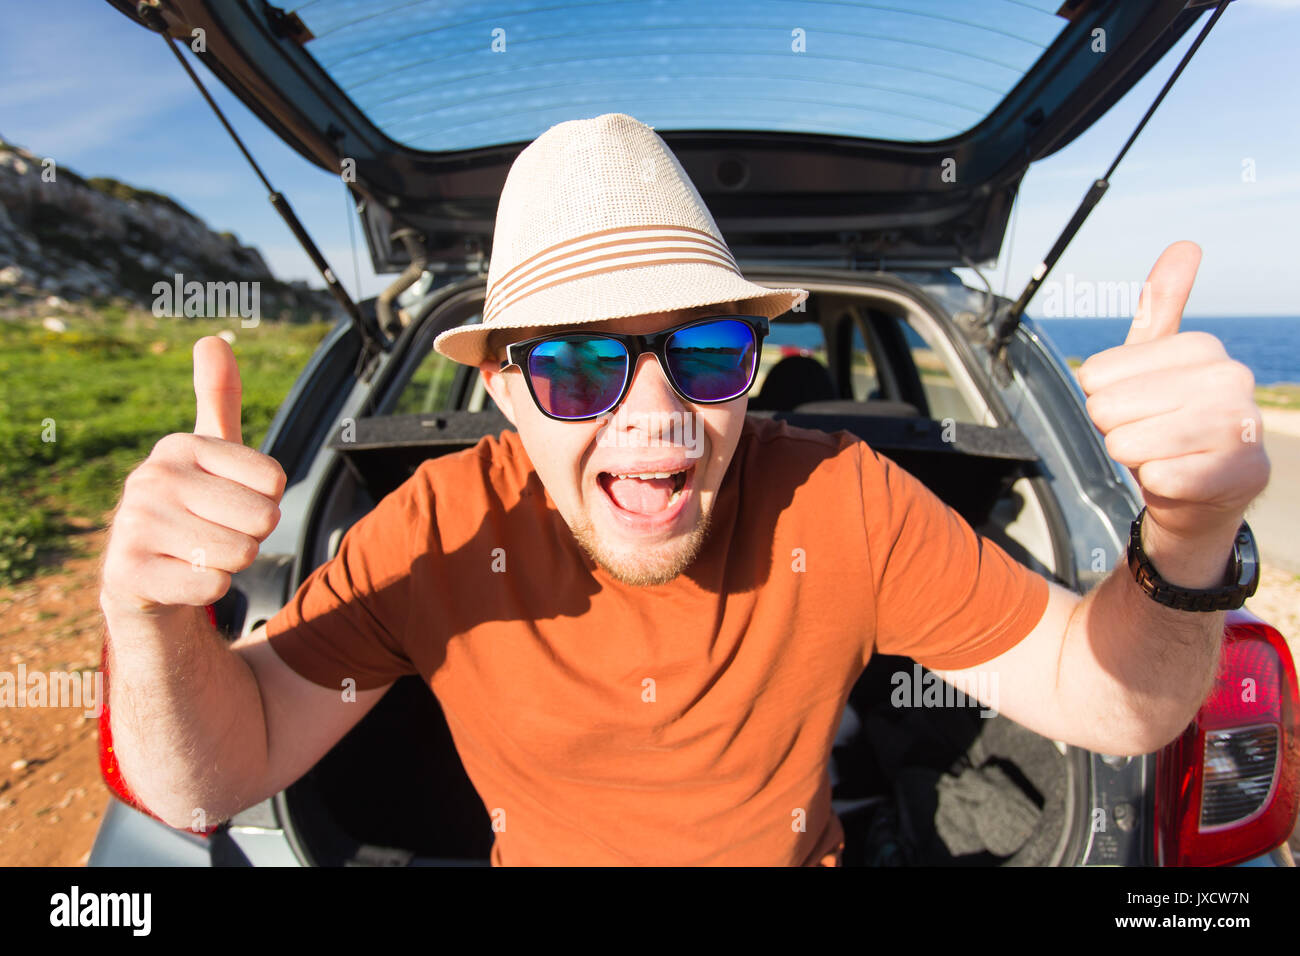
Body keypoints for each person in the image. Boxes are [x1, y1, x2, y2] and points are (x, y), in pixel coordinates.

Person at [98, 113, 1270, 866]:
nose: (655, 414)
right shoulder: (436, 532)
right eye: (575, 363)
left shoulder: (842, 500)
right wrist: (148, 621)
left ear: (753, 365)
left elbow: (1111, 703)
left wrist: (1188, 537)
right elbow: (219, 770)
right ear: (502, 389)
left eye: (705, 353)